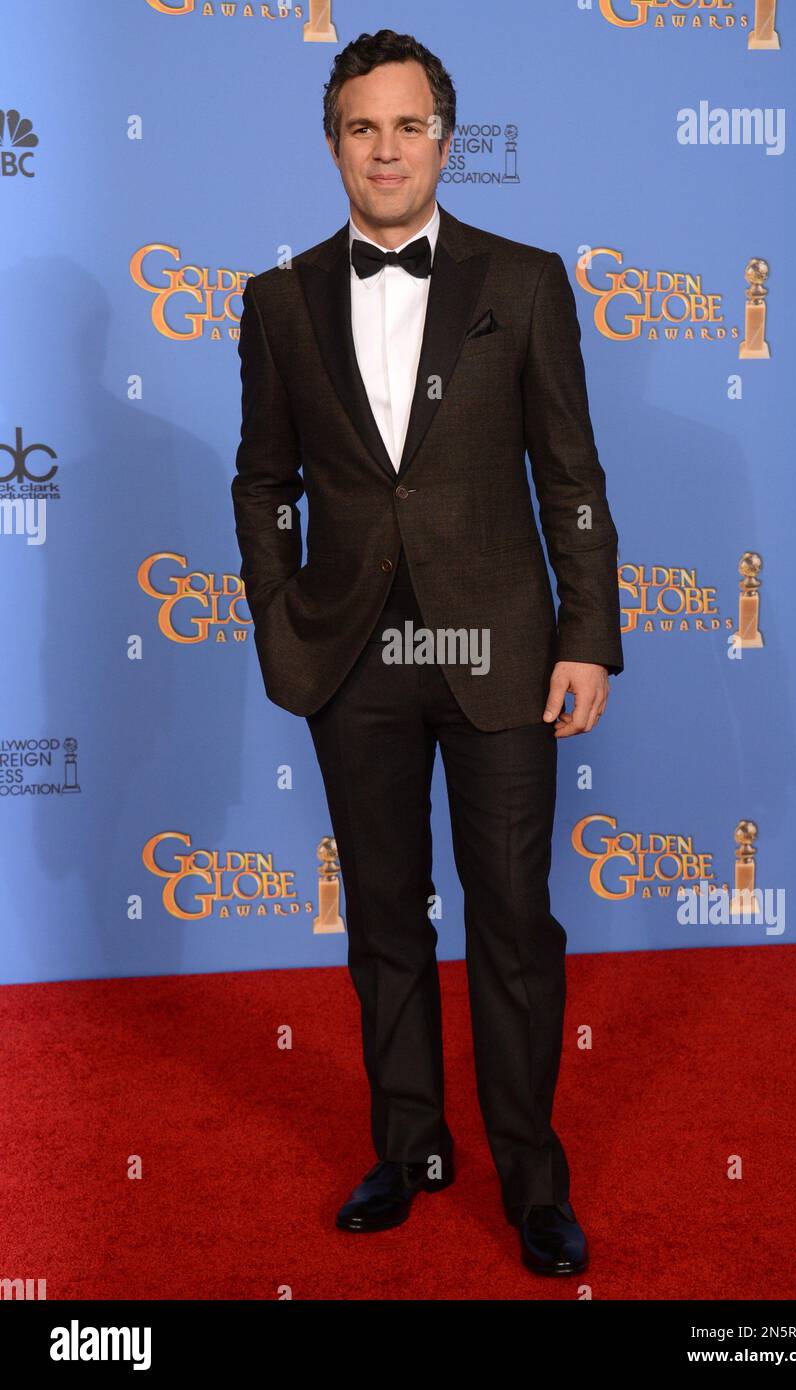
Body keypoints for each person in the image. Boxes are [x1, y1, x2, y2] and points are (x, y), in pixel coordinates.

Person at [231, 28, 623, 1276]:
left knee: (512, 922)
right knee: (387, 923)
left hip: (503, 651)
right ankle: (408, 1150)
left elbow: (568, 474)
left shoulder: (525, 279)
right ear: (333, 142)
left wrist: (587, 636)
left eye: (407, 127)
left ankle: (530, 1179)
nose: (385, 149)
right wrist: (282, 613)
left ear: (444, 143)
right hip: (356, 660)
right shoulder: (278, 299)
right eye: (362, 127)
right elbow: (260, 482)